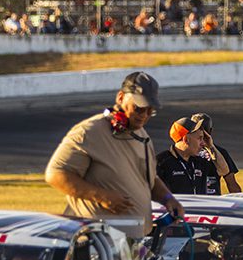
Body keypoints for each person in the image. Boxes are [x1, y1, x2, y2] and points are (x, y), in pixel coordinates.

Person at [45, 72, 185, 239]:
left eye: (150, 111)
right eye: (139, 108)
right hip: (97, 244)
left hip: (135, 243)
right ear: (120, 97)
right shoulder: (89, 132)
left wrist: (168, 198)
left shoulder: (141, 135)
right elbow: (56, 174)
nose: (144, 115)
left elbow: (149, 178)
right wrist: (102, 197)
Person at [156, 117, 221, 196]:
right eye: (199, 138)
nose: (203, 143)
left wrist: (211, 147)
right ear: (186, 140)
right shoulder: (161, 163)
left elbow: (223, 171)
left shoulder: (199, 160)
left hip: (199, 208)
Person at [190, 113, 243, 193]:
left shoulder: (186, 151)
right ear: (211, 130)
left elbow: (230, 182)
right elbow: (232, 184)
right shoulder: (220, 153)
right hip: (212, 202)